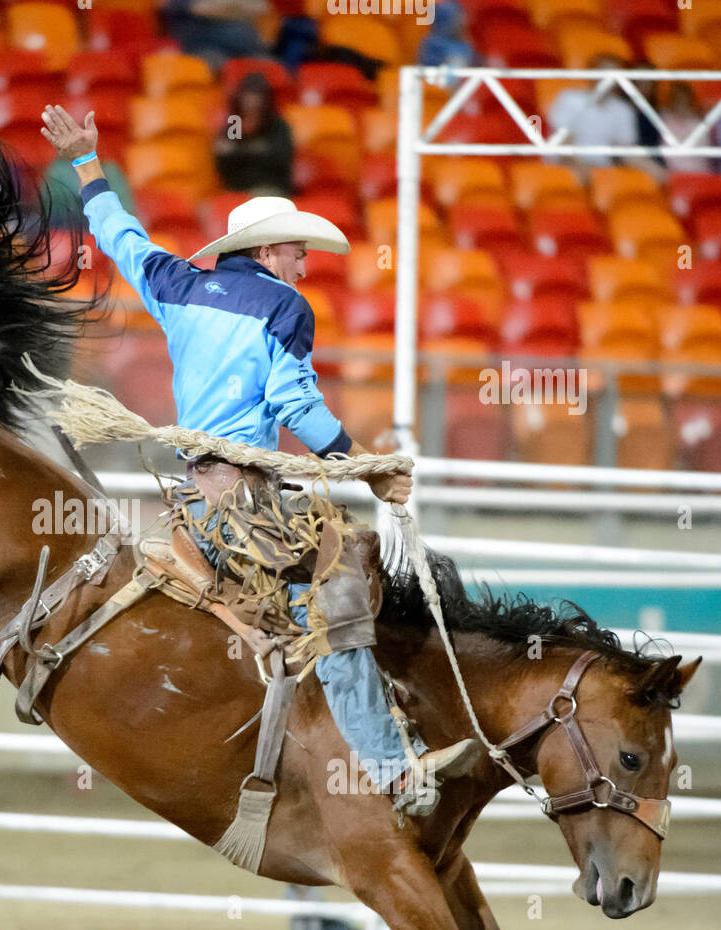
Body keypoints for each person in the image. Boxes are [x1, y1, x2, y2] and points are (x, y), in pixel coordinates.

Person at [39, 103, 485, 816]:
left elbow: (119, 237)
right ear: (269, 251)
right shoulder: (284, 309)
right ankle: (391, 769)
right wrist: (360, 464)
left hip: (195, 499)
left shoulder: (177, 282)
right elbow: (296, 405)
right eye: (299, 251)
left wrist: (87, 161)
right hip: (251, 507)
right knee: (336, 600)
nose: (306, 265)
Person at [214, 72, 294, 197]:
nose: (252, 102)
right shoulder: (235, 124)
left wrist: (238, 150)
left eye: (257, 96)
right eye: (248, 96)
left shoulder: (276, 124)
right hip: (237, 188)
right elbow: (225, 159)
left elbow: (278, 157)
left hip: (269, 187)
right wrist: (255, 150)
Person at [162, 0, 271, 71]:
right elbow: (202, 9)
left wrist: (224, 8)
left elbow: (261, 7)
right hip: (201, 45)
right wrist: (237, 9)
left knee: (269, 65)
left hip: (244, 45)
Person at [658, 81, 713, 174]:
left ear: (690, 100)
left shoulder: (698, 123)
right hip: (670, 174)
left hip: (698, 173)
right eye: (677, 100)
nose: (680, 103)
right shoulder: (664, 118)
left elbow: (702, 153)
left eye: (683, 99)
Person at [416, 1, 478, 68]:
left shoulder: (466, 45)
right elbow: (427, 67)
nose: (461, 22)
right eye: (455, 20)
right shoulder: (433, 44)